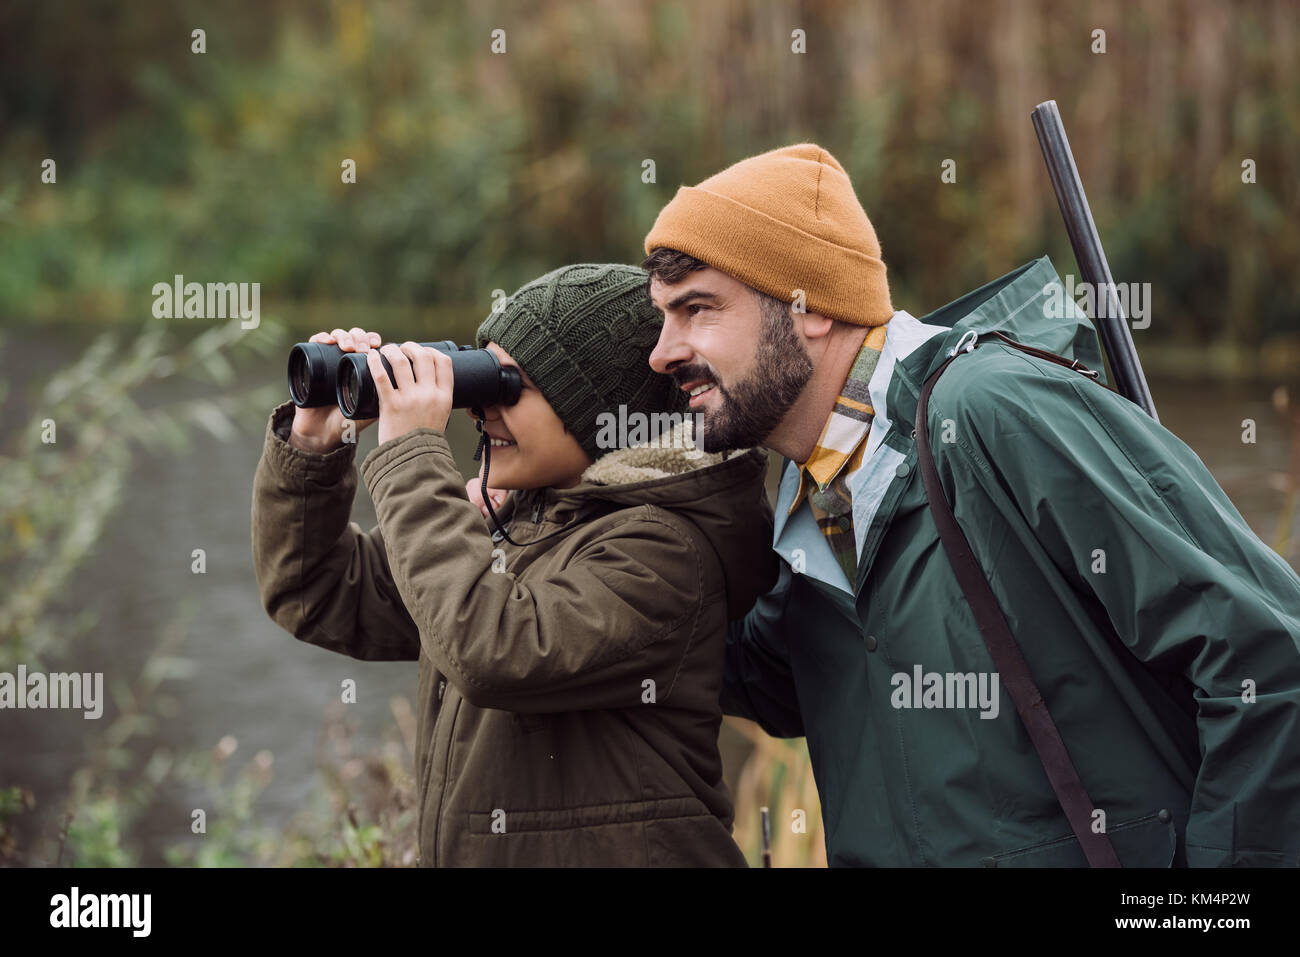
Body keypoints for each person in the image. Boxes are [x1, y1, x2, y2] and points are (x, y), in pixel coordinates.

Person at [636, 143, 1300, 866]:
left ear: (810, 309)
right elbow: (761, 679)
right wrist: (562, 504)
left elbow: (1264, 656)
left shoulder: (985, 410)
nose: (663, 352)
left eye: (696, 309)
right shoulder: (814, 488)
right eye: (663, 317)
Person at [251, 263, 776, 866]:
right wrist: (318, 443)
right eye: (480, 381)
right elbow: (315, 592)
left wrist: (412, 458)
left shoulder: (664, 552)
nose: (479, 410)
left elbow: (492, 650)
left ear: (598, 412)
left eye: (507, 387)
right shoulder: (521, 523)